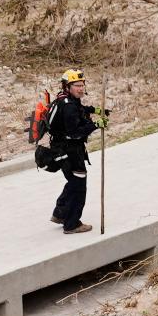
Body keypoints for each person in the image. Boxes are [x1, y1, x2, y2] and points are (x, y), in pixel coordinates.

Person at [44, 70, 101, 235]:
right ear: (67, 86)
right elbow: (75, 132)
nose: (81, 88)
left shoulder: (65, 99)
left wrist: (95, 110)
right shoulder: (68, 106)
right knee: (78, 187)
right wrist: (96, 125)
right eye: (77, 85)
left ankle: (60, 213)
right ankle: (72, 224)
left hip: (63, 150)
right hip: (70, 151)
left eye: (82, 85)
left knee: (73, 182)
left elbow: (80, 109)